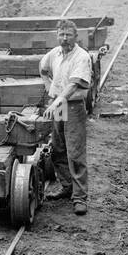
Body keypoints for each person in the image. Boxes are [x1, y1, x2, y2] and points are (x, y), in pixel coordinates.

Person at [39, 19, 93, 215]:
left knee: (75, 152)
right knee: (58, 147)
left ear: (75, 36)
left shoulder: (82, 57)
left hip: (72, 107)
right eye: (61, 34)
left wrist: (57, 100)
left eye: (68, 35)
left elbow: (73, 85)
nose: (64, 38)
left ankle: (80, 198)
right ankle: (67, 186)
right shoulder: (54, 54)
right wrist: (48, 86)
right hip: (59, 106)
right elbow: (43, 69)